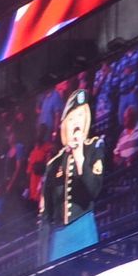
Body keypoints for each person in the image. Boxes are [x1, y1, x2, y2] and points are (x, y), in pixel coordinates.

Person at [40, 89, 104, 263]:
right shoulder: (53, 164)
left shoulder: (94, 147)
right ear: (65, 124)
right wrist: (41, 262)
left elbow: (94, 190)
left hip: (84, 229)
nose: (77, 122)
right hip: (60, 239)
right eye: (73, 118)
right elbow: (46, 216)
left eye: (81, 116)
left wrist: (79, 157)